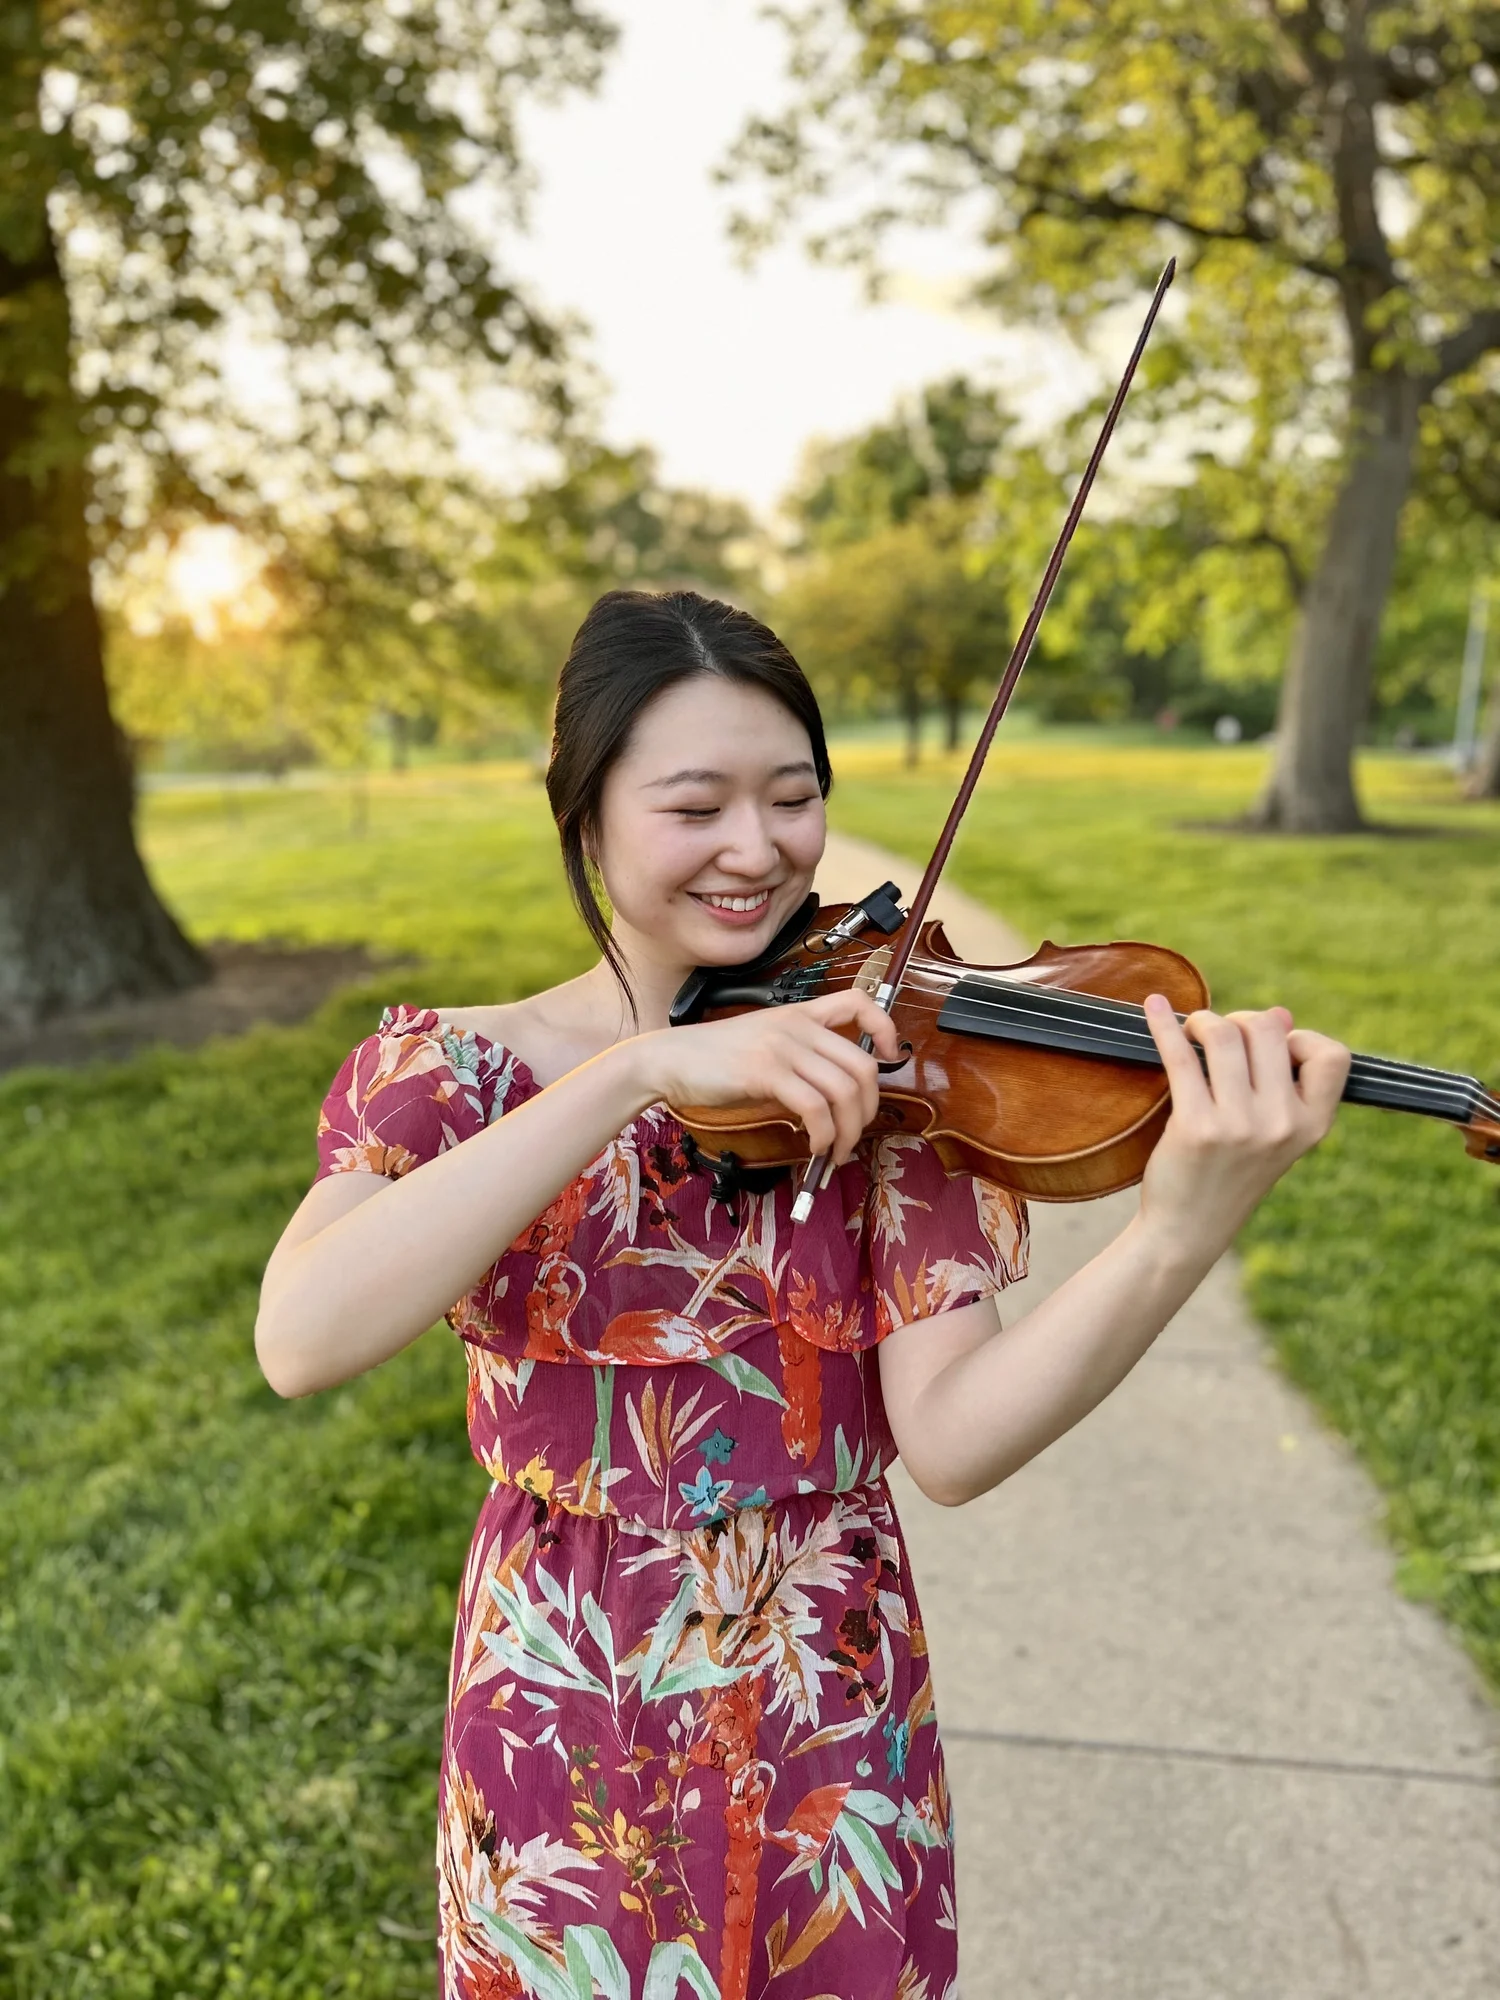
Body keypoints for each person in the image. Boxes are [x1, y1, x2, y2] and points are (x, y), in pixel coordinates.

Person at [255, 589, 1349, 2000]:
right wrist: (635, 1076)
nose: (758, 849)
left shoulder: (875, 1078)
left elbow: (951, 1437)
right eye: (695, 804)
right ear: (584, 812)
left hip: (829, 1698)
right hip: (564, 1700)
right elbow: (301, 1336)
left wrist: (1172, 1239)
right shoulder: (462, 1075)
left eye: (794, 797)